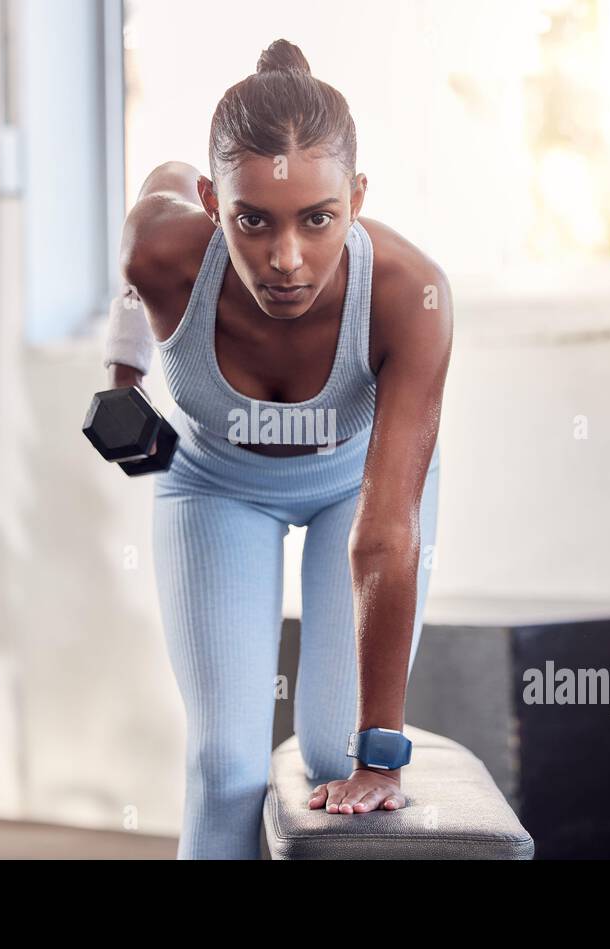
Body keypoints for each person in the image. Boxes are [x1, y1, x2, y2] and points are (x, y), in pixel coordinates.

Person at [107, 38, 452, 859]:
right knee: (225, 765)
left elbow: (385, 535)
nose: (285, 259)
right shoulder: (162, 251)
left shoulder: (412, 295)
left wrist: (381, 755)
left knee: (337, 756)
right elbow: (147, 198)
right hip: (213, 488)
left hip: (359, 493)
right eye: (251, 219)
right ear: (209, 200)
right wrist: (121, 380)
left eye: (319, 218)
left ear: (358, 198)